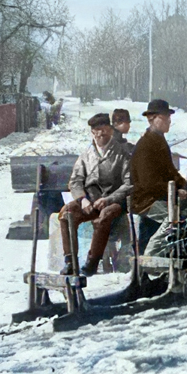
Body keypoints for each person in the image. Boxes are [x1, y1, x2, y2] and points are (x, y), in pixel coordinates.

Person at [58, 113, 132, 276]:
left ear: (111, 130)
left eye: (104, 130)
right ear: (92, 132)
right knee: (66, 214)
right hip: (90, 201)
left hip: (115, 202)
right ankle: (70, 262)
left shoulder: (122, 153)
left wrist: (108, 199)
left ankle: (92, 262)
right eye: (96, 130)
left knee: (103, 217)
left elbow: (129, 183)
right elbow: (75, 181)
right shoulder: (86, 155)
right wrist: (82, 199)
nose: (100, 134)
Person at [130, 98, 187, 256]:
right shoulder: (145, 145)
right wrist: (175, 192)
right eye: (165, 117)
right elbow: (148, 183)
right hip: (145, 200)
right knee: (175, 219)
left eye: (169, 117)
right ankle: (149, 256)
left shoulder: (159, 140)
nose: (169, 121)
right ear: (151, 118)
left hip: (159, 195)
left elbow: (171, 173)